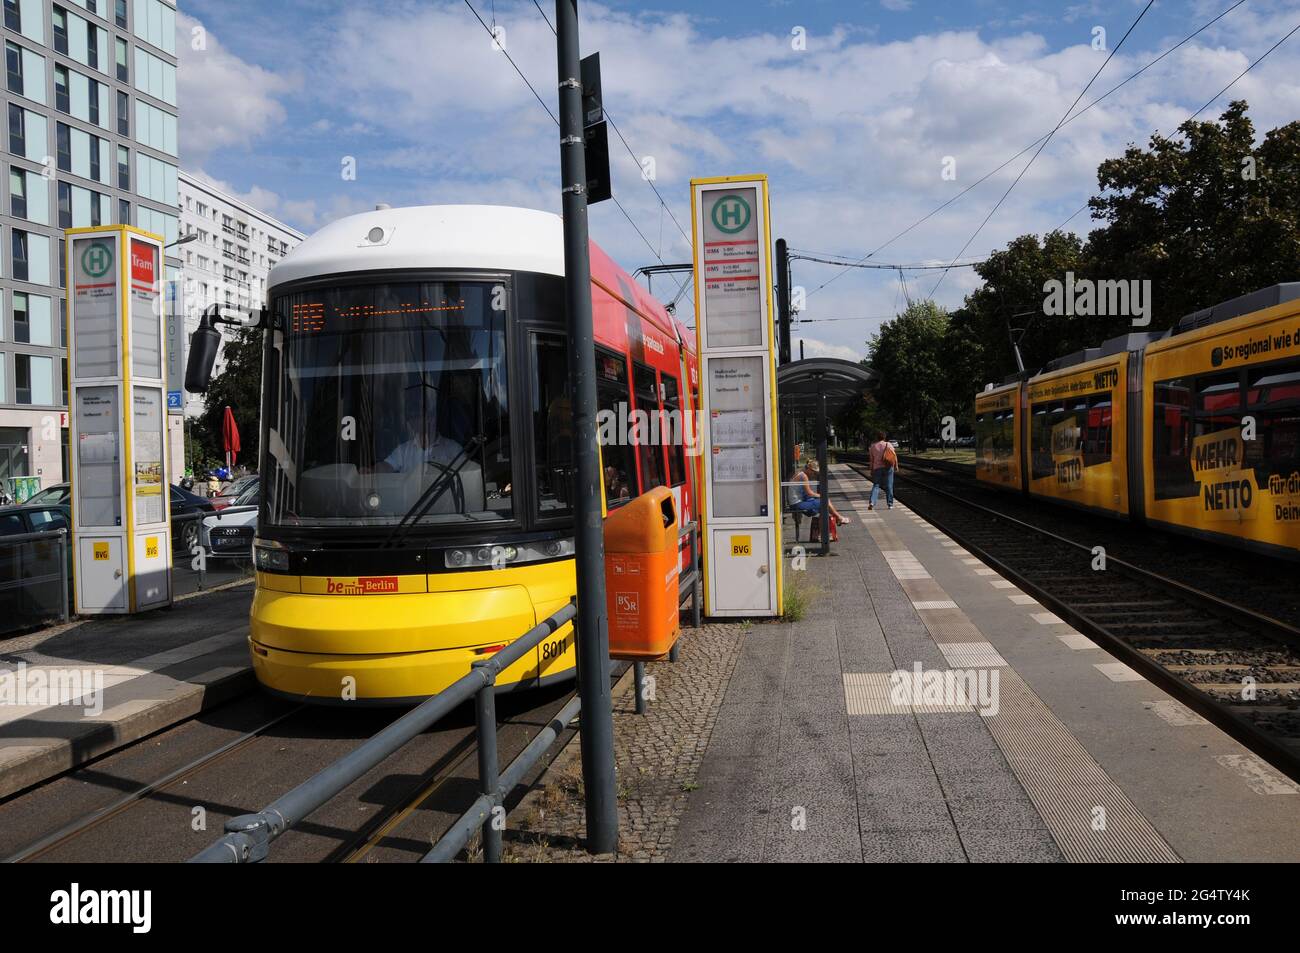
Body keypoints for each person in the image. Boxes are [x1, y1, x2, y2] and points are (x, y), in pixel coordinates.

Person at [794, 459, 849, 526]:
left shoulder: (800, 473)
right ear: (808, 469)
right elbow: (809, 493)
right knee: (825, 501)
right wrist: (822, 496)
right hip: (797, 504)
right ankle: (838, 518)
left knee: (824, 506)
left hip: (796, 502)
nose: (814, 474)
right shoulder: (804, 476)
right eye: (813, 472)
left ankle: (836, 519)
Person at [868, 430, 897, 510]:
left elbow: (871, 460)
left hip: (877, 468)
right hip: (888, 467)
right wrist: (896, 466)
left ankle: (872, 502)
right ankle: (890, 504)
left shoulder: (873, 446)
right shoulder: (889, 445)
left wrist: (871, 469)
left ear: (877, 437)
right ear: (884, 437)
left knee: (876, 485)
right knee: (889, 486)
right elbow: (894, 456)